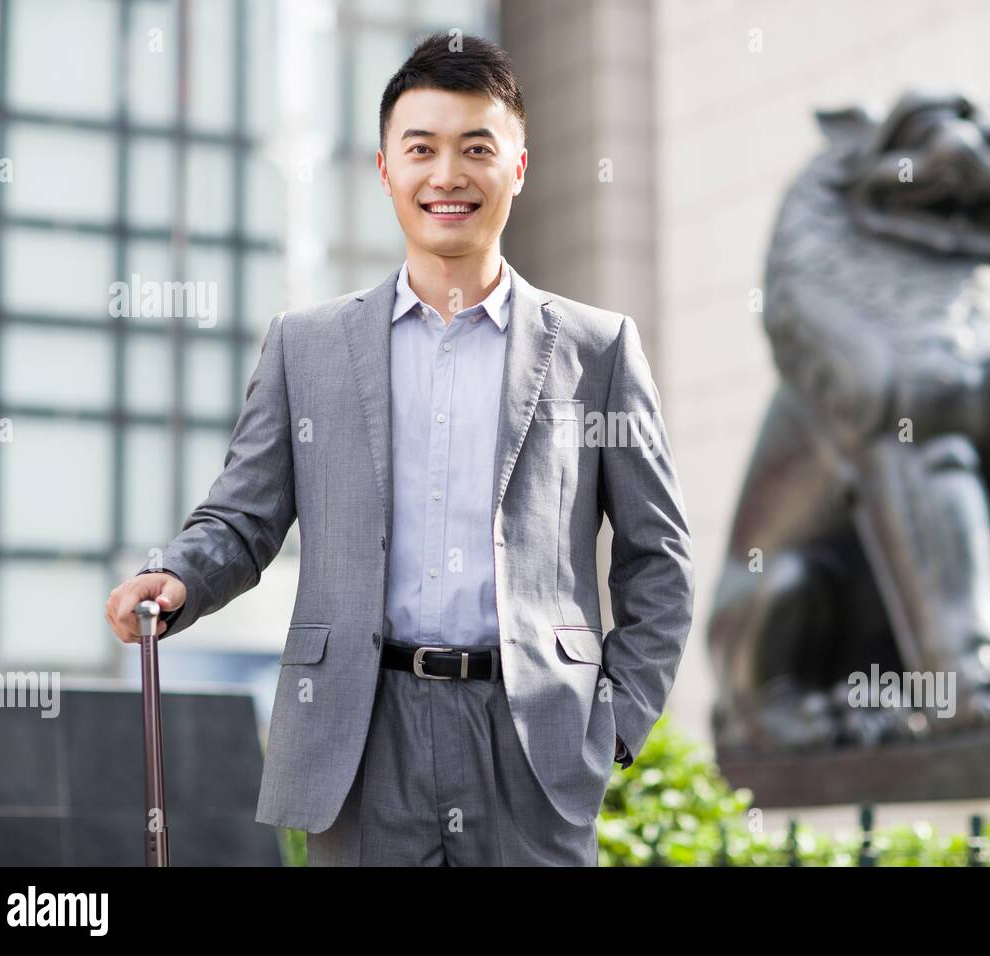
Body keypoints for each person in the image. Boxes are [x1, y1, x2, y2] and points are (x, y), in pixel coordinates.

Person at [103, 31, 693, 866]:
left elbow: (657, 556)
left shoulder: (598, 350)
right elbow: (242, 518)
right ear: (386, 170)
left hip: (531, 738)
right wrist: (183, 576)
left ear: (517, 168)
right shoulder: (305, 347)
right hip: (360, 734)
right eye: (421, 149)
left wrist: (615, 722)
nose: (446, 175)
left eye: (476, 149)